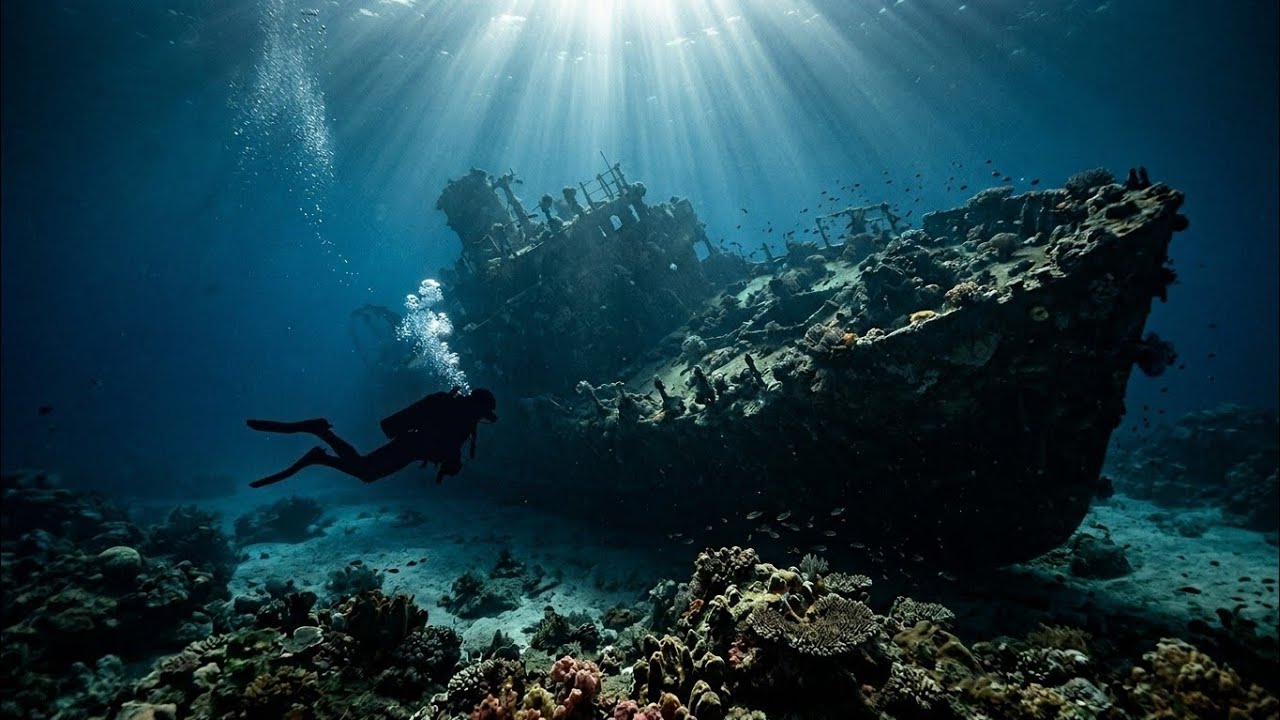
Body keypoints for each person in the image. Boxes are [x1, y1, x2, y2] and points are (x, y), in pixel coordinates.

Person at [246, 387, 497, 488]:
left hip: (410, 445)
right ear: (479, 406)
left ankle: (320, 449)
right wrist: (452, 464)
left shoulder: (458, 410)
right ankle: (321, 437)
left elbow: (445, 446)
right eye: (486, 412)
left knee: (366, 470)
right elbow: (448, 447)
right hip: (410, 448)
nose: (485, 417)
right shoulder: (464, 418)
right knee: (366, 471)